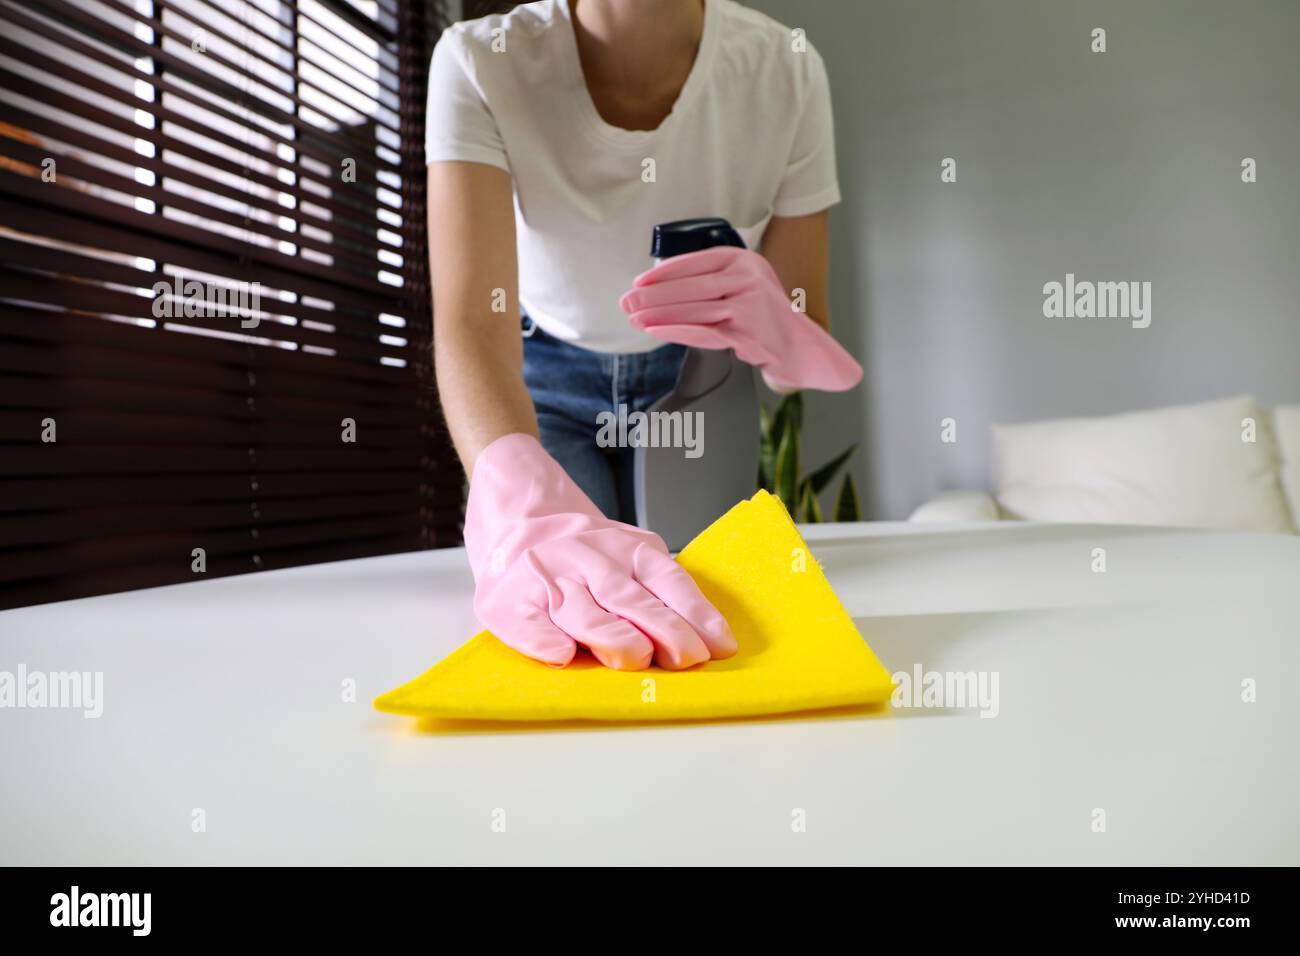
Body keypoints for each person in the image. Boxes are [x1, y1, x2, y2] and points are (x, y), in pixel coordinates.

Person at [426, 0, 860, 671]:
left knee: (709, 624)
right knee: (579, 632)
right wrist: (515, 493)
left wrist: (780, 328)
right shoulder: (480, 60)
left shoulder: (786, 68)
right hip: (541, 385)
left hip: (696, 384)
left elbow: (804, 348)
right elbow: (472, 325)